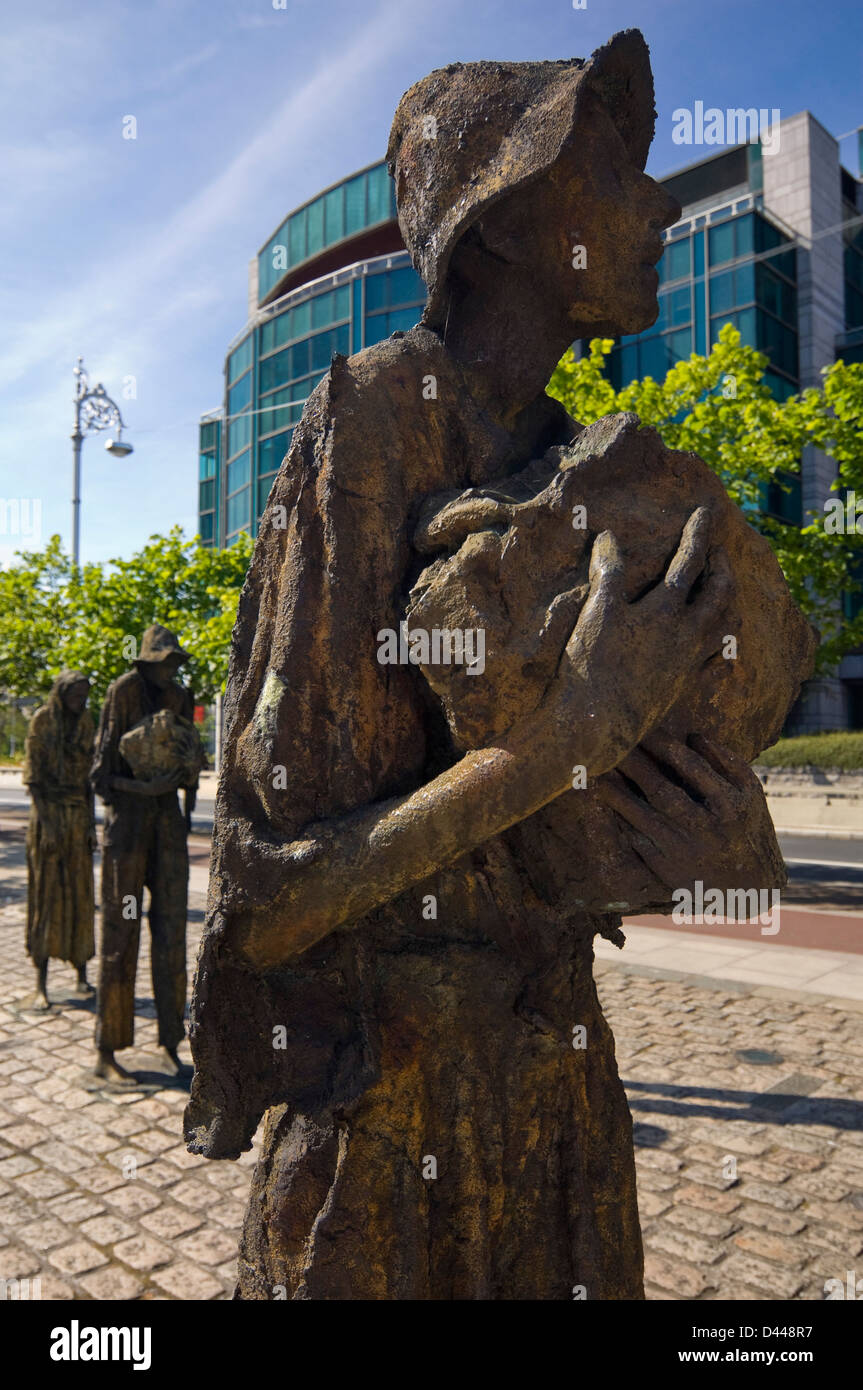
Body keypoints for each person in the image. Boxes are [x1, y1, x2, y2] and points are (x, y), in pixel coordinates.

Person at [186, 31, 793, 1299]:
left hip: (556, 1105)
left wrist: (710, 840)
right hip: (387, 1120)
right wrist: (558, 743)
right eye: (612, 168)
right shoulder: (371, 416)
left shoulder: (606, 484)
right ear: (505, 225)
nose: (657, 203)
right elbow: (269, 899)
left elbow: (601, 850)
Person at [90, 624, 199, 1085]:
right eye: (164, 662)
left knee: (172, 932)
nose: (171, 670)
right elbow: (101, 778)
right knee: (120, 935)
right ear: (146, 661)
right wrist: (144, 787)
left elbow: (191, 763)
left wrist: (185, 792)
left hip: (168, 829)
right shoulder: (123, 692)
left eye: (176, 663)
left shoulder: (180, 696)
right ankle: (107, 1049)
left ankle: (171, 1041)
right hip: (128, 829)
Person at [23, 670, 96, 1010]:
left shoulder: (86, 722)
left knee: (80, 895)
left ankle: (81, 973)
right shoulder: (41, 721)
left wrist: (92, 826)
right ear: (61, 692)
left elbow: (89, 781)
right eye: (75, 694)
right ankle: (41, 983)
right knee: (46, 897)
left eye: (84, 695)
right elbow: (34, 780)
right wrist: (49, 827)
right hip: (48, 817)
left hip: (78, 817)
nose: (80, 701)